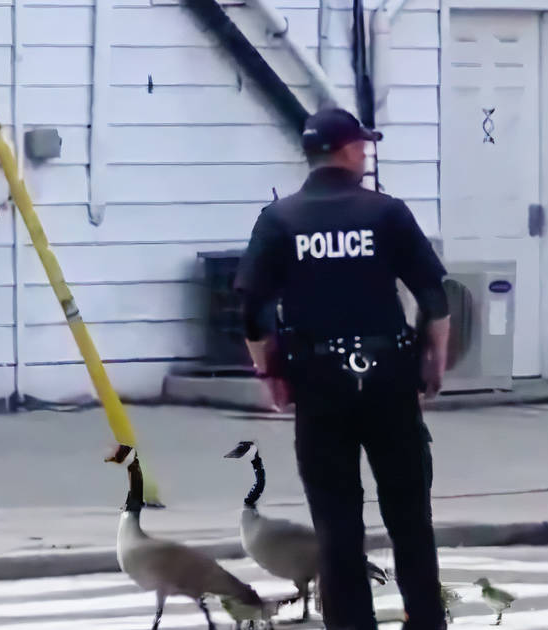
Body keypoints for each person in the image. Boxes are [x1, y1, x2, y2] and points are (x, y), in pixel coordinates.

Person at [234, 107, 452, 630]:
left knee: (336, 521)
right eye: (363, 146)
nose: (366, 154)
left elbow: (252, 311)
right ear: (350, 151)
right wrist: (433, 361)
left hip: (319, 381)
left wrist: (270, 375)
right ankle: (424, 619)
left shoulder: (280, 220)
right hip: (389, 378)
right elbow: (434, 297)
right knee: (409, 515)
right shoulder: (386, 213)